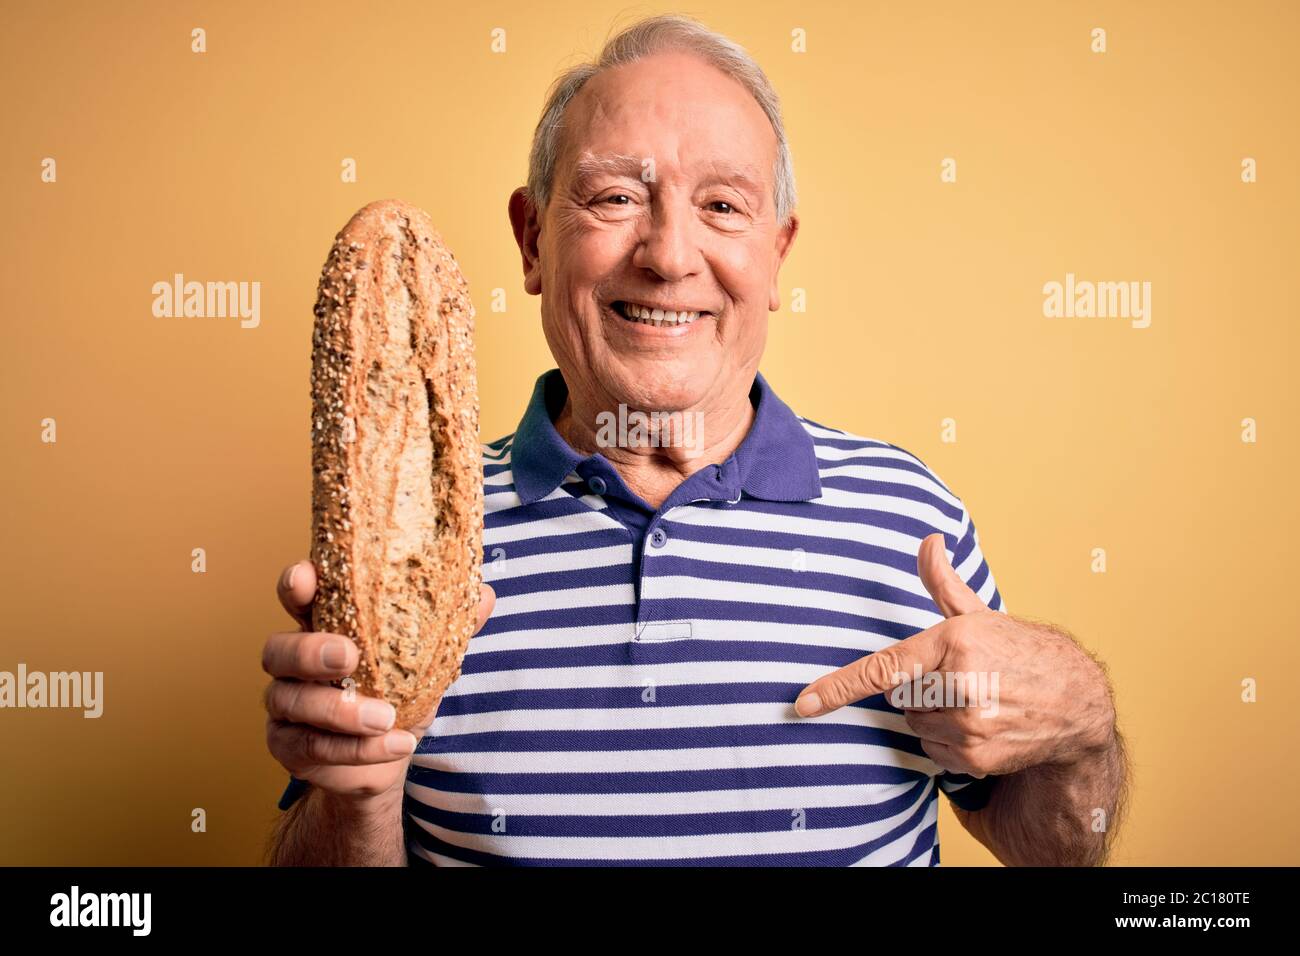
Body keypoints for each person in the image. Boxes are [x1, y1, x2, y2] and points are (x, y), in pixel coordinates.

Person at [264, 13, 1127, 866]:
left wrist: (1082, 731)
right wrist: (360, 796)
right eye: (615, 198)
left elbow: (1051, 852)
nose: (670, 255)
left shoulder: (907, 520)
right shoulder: (413, 549)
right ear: (532, 240)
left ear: (777, 253)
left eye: (722, 205)